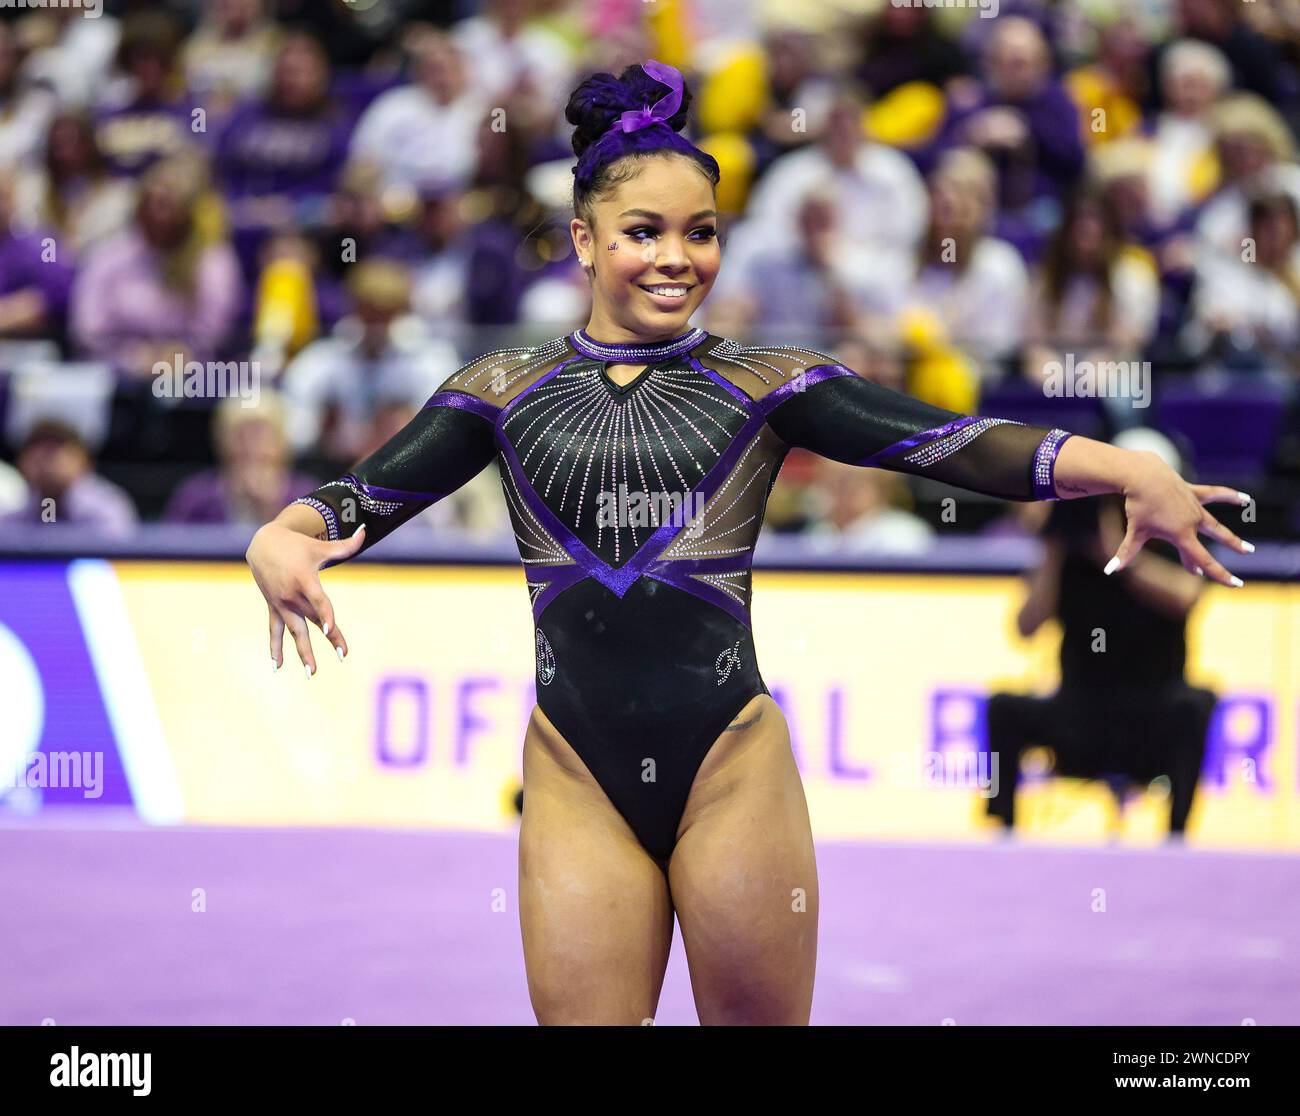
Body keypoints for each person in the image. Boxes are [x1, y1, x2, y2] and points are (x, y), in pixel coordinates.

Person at [245, 60, 1253, 1026]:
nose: (676, 258)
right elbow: (356, 498)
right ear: (584, 241)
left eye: (700, 232)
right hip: (572, 768)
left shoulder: (766, 384)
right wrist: (283, 541)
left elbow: (951, 446)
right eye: (642, 232)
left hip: (728, 761)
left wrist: (1125, 471)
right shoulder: (498, 391)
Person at [985, 429, 1220, 839]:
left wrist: (1119, 556)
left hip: (1151, 713)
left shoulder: (1178, 538)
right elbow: (1025, 627)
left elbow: (1186, 597)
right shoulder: (1073, 543)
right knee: (1004, 707)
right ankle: (1003, 836)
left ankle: (1178, 839)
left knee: (1195, 706)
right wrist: (1055, 548)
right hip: (1080, 711)